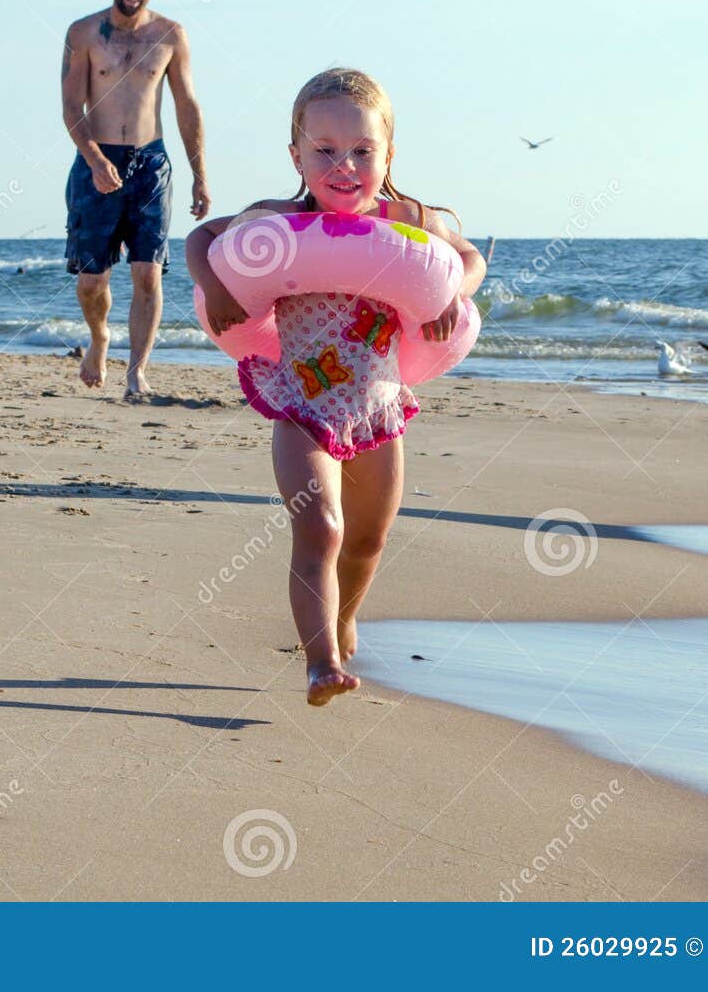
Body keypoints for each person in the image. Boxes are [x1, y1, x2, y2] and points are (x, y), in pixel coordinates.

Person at [186, 68, 484, 706]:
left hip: (377, 407)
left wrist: (451, 293)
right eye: (324, 150)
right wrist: (214, 287)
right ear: (296, 155)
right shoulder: (278, 222)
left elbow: (470, 258)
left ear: (388, 155)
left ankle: (345, 617)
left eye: (362, 151)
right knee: (321, 527)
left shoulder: (409, 221)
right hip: (302, 405)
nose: (343, 166)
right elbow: (202, 237)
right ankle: (320, 663)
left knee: (369, 539)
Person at [61, 0, 209, 399]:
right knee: (92, 281)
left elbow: (187, 106)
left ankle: (137, 372)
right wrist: (95, 160)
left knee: (148, 273)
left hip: (151, 163)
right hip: (97, 159)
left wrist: (199, 174)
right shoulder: (84, 33)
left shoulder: (170, 35)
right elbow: (71, 107)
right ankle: (100, 337)